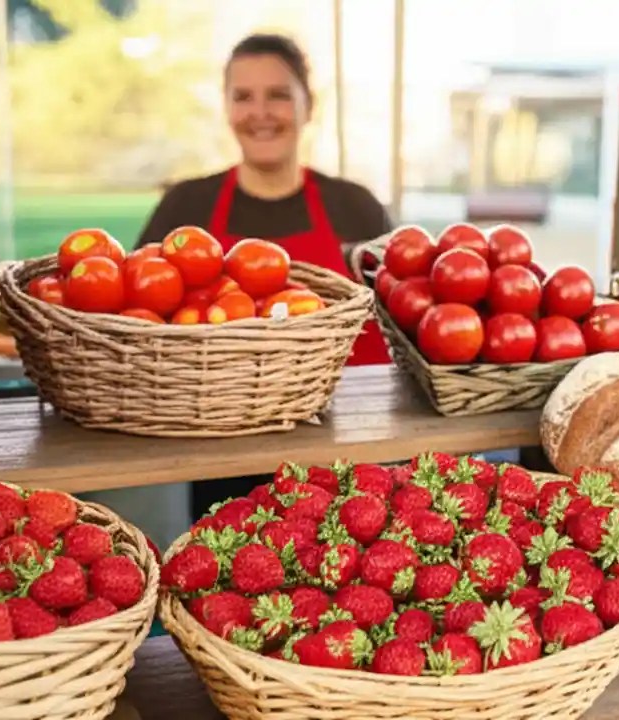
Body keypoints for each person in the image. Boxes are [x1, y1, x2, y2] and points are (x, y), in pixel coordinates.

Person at [92, 34, 394, 543]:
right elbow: (136, 324)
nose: (261, 112)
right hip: (223, 452)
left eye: (278, 94)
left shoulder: (355, 207)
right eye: (243, 96)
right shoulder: (187, 207)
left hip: (347, 449)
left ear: (307, 105)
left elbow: (397, 318)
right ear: (226, 107)